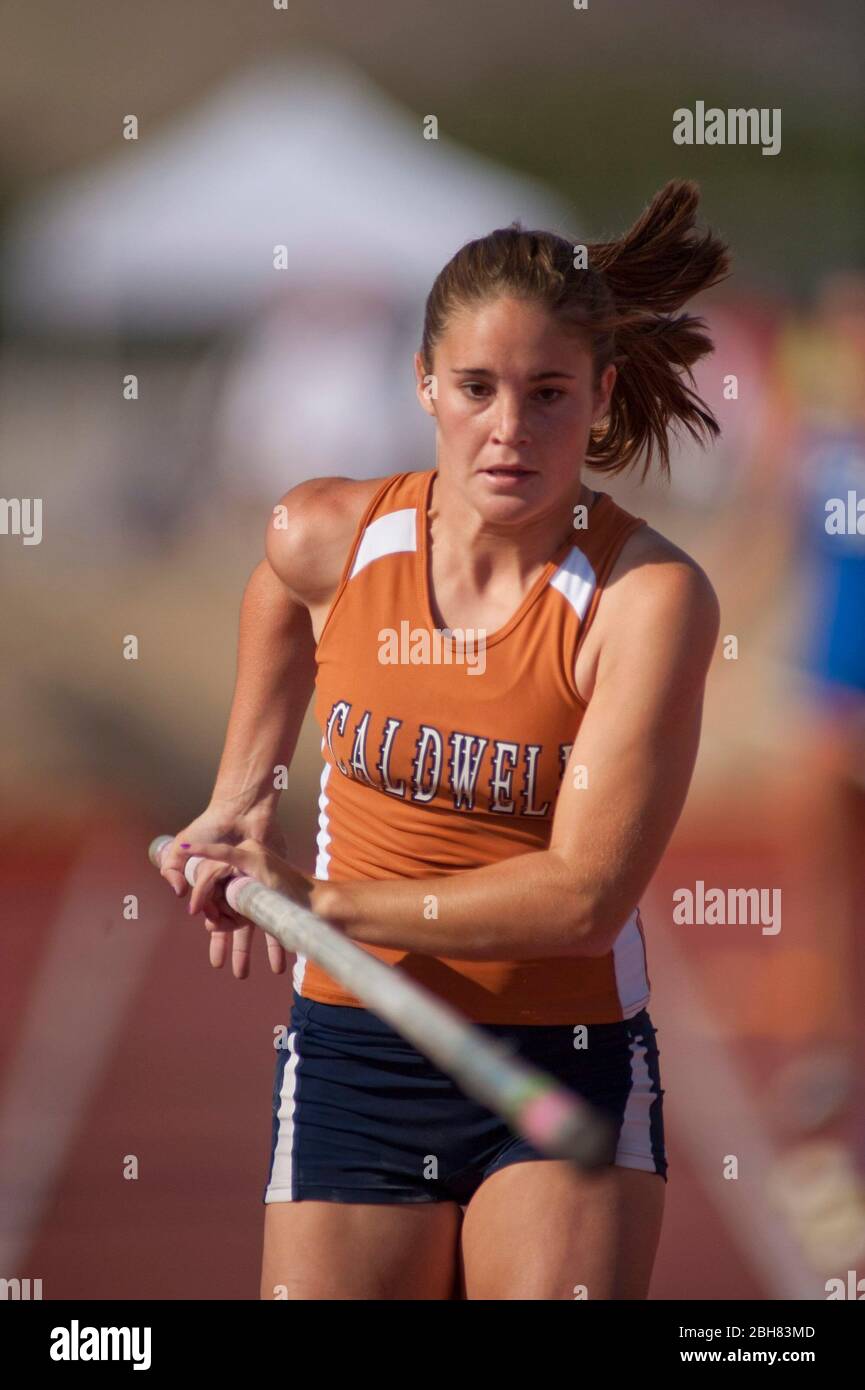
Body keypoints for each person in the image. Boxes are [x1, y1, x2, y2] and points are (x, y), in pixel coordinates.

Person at [160, 178, 726, 1300]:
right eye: (476, 388)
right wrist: (240, 793)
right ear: (423, 385)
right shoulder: (327, 532)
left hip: (558, 1057)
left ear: (603, 394)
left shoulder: (642, 596)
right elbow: (277, 593)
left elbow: (581, 901)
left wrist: (317, 903)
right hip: (356, 1056)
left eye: (549, 393)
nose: (509, 429)